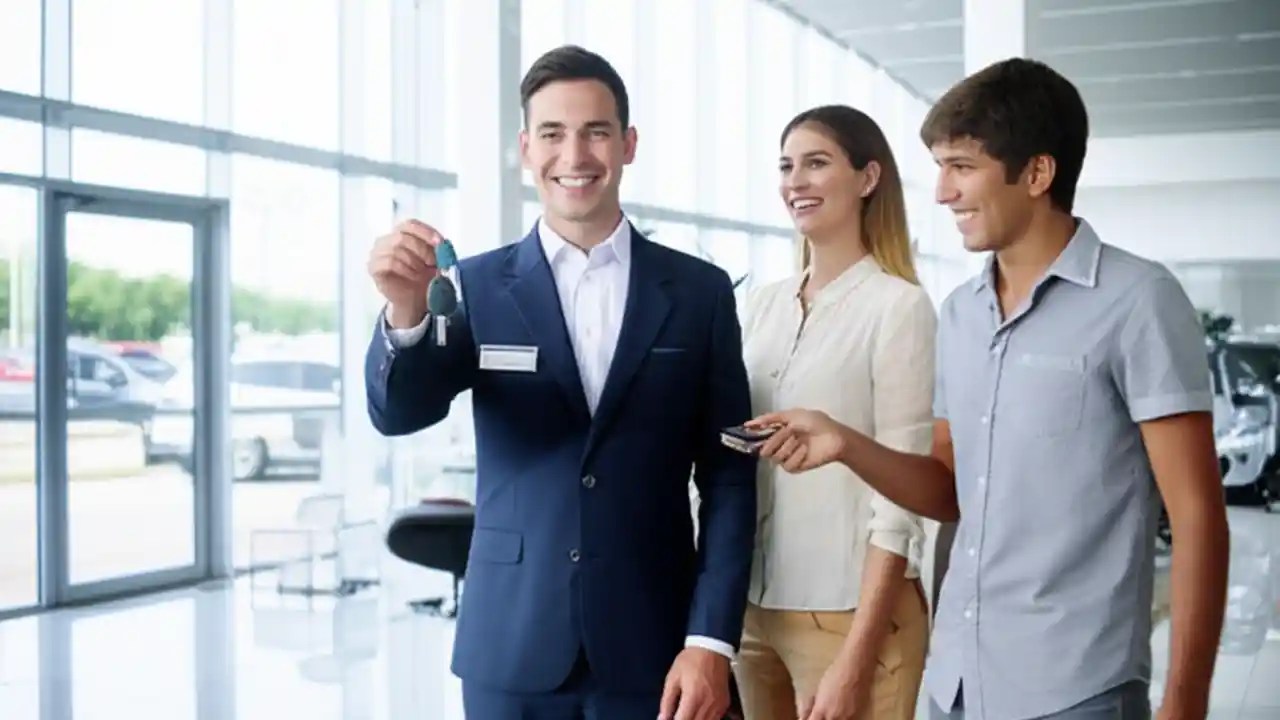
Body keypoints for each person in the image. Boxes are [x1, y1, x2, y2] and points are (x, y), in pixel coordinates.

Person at [748, 58, 1229, 720]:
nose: (943, 192)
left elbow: (1198, 516)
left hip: (1077, 691)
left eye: (962, 167)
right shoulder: (962, 315)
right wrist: (845, 444)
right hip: (957, 684)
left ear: (1037, 173)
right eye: (940, 167)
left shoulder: (1139, 301)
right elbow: (946, 491)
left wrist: (1186, 702)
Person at [364, 45, 756, 720]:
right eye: (552, 133)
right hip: (510, 644)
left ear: (628, 144)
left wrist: (710, 640)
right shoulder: (475, 286)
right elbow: (400, 413)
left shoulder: (699, 292)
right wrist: (404, 311)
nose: (574, 155)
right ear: (526, 148)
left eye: (596, 131)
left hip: (657, 644)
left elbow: (729, 477)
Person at [733, 105, 933, 720]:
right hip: (753, 613)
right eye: (786, 166)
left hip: (849, 616)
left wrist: (857, 656)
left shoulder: (898, 308)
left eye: (816, 163)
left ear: (867, 178)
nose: (795, 181)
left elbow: (899, 502)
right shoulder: (761, 305)